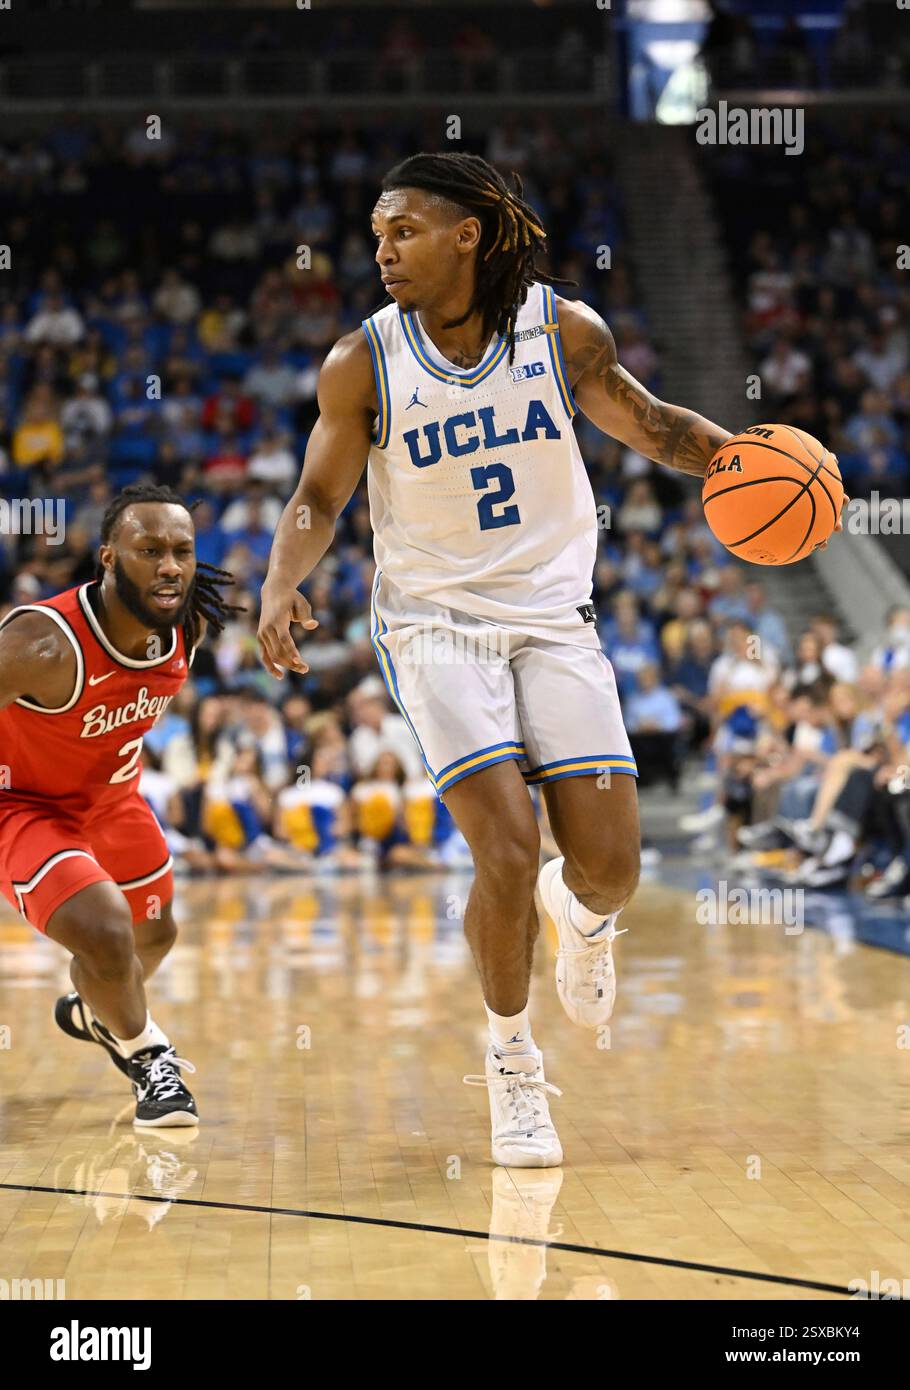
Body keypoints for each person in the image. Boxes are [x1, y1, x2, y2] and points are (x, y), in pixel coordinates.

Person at [257, 150, 739, 1169]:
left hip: (554, 614)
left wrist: (744, 458)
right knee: (508, 849)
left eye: (404, 229)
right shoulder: (362, 360)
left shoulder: (562, 331)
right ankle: (513, 1065)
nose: (381, 249)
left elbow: (651, 427)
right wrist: (279, 581)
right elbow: (318, 497)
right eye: (377, 232)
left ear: (468, 232)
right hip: (433, 625)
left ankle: (585, 918)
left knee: (607, 867)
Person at [0, 483, 242, 1126]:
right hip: (21, 806)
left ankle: (95, 1010)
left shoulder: (186, 622)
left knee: (153, 933)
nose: (170, 565)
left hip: (114, 799)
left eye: (182, 552)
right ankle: (148, 1056)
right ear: (108, 557)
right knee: (106, 930)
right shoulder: (40, 644)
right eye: (149, 550)